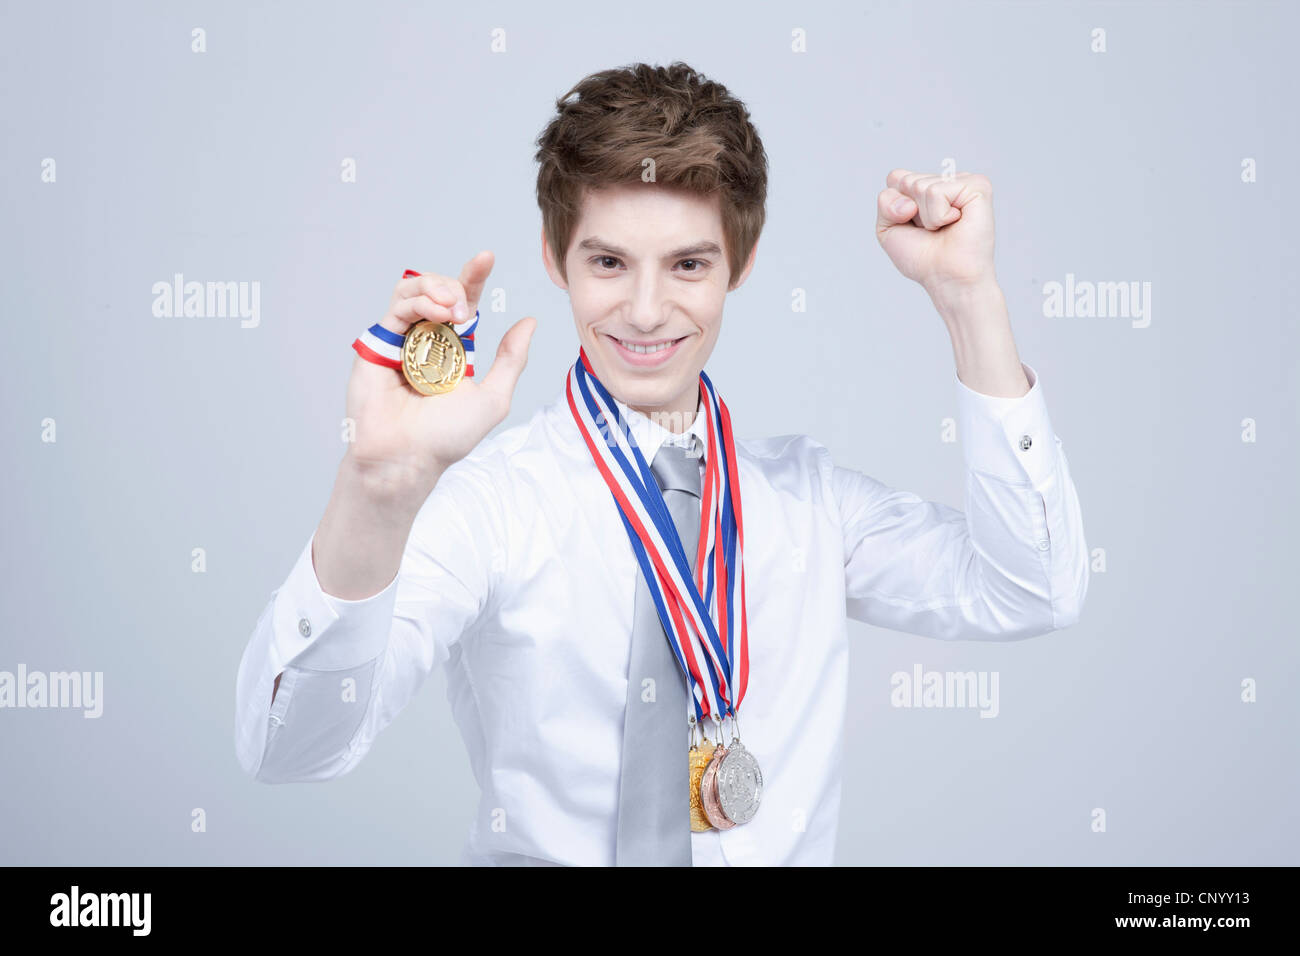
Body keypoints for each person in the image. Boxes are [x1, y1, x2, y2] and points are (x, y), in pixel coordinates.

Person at [234, 61, 1089, 866]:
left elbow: (1032, 588)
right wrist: (375, 492)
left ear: (741, 266)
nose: (645, 313)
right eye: (608, 262)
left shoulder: (811, 504)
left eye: (687, 265)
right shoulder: (491, 506)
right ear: (554, 258)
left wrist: (968, 298)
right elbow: (289, 749)